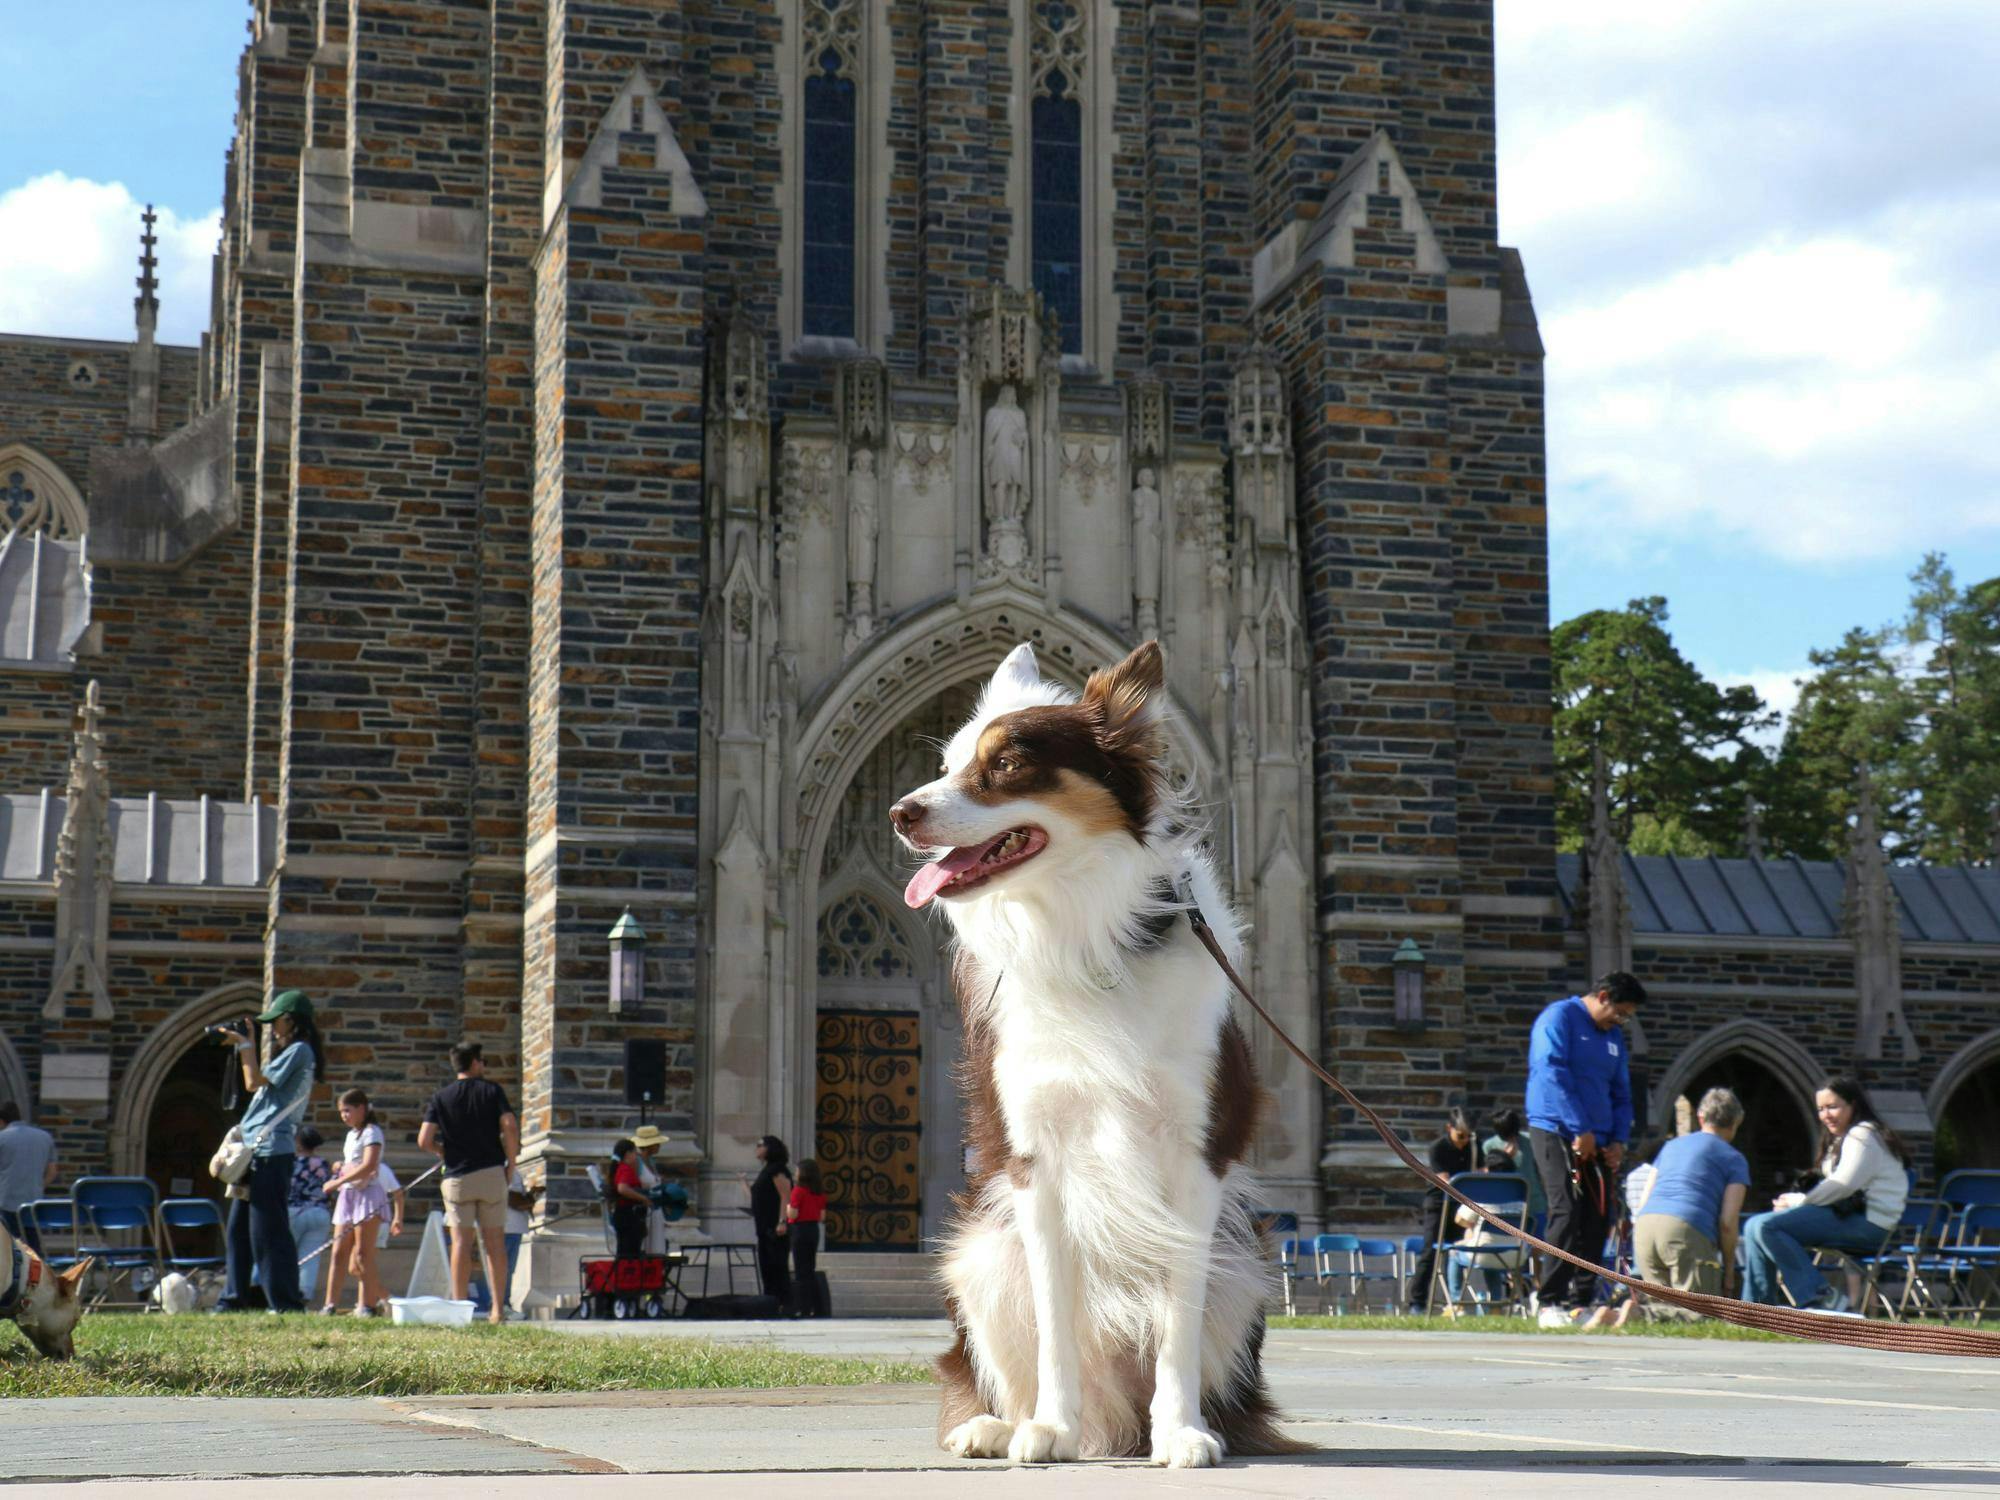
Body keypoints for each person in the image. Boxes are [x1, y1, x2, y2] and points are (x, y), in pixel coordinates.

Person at [1525, 971, 1644, 1329]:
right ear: (1603, 996)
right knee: (1566, 1209)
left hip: (1600, 1139)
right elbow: (1551, 1072)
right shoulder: (1559, 1018)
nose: (1621, 1021)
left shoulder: (1614, 1038)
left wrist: (1618, 1140)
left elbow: (1622, 1092)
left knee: (1599, 1217)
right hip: (1556, 1129)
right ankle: (1548, 1301)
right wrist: (1579, 1128)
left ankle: (1582, 1299)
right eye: (1620, 1012)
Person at [1743, 1076, 1911, 1313]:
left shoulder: (1863, 1135)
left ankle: (1821, 1297)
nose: (1826, 1115)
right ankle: (1755, 1311)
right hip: (1847, 1218)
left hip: (1869, 1225)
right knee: (1753, 1226)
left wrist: (1799, 1201)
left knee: (1767, 1227)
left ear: (1853, 1105)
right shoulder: (1843, 1139)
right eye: (1821, 1109)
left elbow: (1842, 1185)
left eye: (1833, 1107)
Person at [1592, 1089, 1752, 1328]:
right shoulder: (1733, 1158)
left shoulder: (1671, 1146)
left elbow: (1644, 1199)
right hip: (1686, 1230)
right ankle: (1638, 1314)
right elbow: (1728, 1223)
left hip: (1646, 1227)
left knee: (1664, 1309)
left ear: (1700, 1117)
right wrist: (1729, 1270)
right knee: (1703, 1314)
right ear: (1736, 1123)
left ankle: (1611, 1315)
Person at [214, 989, 321, 1313]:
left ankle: (287, 1304)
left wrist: (245, 1044)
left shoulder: (300, 1050)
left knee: (269, 1234)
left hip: (271, 1153)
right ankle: (232, 1301)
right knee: (238, 1234)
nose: (273, 1029)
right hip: (257, 1153)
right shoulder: (291, 1052)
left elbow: (253, 1081)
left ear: (292, 1021)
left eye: (276, 1022)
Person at [418, 1041, 518, 1325]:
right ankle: (498, 1310)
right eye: (482, 1061)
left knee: (461, 1243)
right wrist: (512, 1161)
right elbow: (509, 1125)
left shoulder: (441, 1096)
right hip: (490, 1172)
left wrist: (443, 1151)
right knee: (494, 1243)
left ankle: (459, 1309)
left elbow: (424, 1139)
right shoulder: (492, 1091)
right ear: (475, 1062)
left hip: (457, 1176)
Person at [321, 1088, 391, 1315]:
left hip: (368, 1195)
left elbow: (369, 1165)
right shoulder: (352, 1135)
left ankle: (368, 1305)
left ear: (362, 1108)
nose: (344, 1116)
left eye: (347, 1111)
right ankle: (330, 1304)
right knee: (339, 1251)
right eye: (341, 1112)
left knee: (362, 1254)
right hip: (348, 1196)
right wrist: (341, 1169)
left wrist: (336, 1182)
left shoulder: (373, 1133)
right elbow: (354, 1162)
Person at [1407, 1108, 1477, 1314]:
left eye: (1468, 1136)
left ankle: (1454, 1302)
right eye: (1460, 1136)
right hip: (1438, 1204)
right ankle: (1417, 1302)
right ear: (1449, 1129)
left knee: (1456, 1252)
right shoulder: (1438, 1148)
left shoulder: (1473, 1147)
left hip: (1460, 1206)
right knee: (1430, 1252)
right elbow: (1444, 1180)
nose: (1464, 1141)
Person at [1442, 1146, 1527, 1315]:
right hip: (1516, 1254)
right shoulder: (1520, 1195)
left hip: (1482, 1252)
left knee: (1454, 1251)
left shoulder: (1483, 1193)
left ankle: (1456, 1303)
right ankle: (1496, 1306)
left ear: (1487, 1170)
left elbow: (1459, 1220)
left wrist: (1473, 1226)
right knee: (1492, 1252)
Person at [741, 1134, 793, 1309]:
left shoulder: (777, 1170)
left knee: (777, 1266)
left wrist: (782, 1221)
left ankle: (784, 1303)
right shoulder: (766, 1170)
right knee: (767, 1267)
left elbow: (785, 1196)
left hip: (775, 1228)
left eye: (760, 1145)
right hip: (763, 1228)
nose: (757, 1148)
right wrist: (743, 1182)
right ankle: (770, 1303)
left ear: (770, 1148)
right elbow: (756, 1197)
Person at [0, 1101, 58, 1253]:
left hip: (6, 1201)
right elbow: (52, 1172)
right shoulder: (44, 1137)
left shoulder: (2, 1138)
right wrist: (39, 1185)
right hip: (34, 1201)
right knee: (33, 1246)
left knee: (8, 1249)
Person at [287, 1126, 335, 1306]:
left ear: (299, 1143)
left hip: (293, 1211)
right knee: (310, 1257)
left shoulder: (292, 1163)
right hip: (319, 1212)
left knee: (287, 1255)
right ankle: (304, 1294)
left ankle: (285, 1292)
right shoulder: (324, 1163)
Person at [1482, 1108, 1547, 1227]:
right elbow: (1490, 1175)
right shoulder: (1489, 1146)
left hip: (1534, 1200)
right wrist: (1505, 1157)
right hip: (1506, 1203)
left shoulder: (1530, 1140)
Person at [786, 1157, 830, 1319]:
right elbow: (822, 1216)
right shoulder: (819, 1192)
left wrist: (787, 1207)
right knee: (809, 1269)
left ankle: (801, 1307)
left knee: (800, 1270)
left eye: (797, 1171)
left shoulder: (798, 1191)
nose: (795, 1173)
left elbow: (793, 1213)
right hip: (813, 1230)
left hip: (800, 1230)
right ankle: (810, 1306)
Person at [606, 1139, 651, 1257]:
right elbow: (622, 1188)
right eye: (634, 1152)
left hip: (623, 1216)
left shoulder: (620, 1168)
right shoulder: (625, 1169)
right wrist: (643, 1198)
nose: (636, 1156)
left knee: (625, 1252)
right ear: (628, 1154)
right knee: (629, 1253)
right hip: (628, 1216)